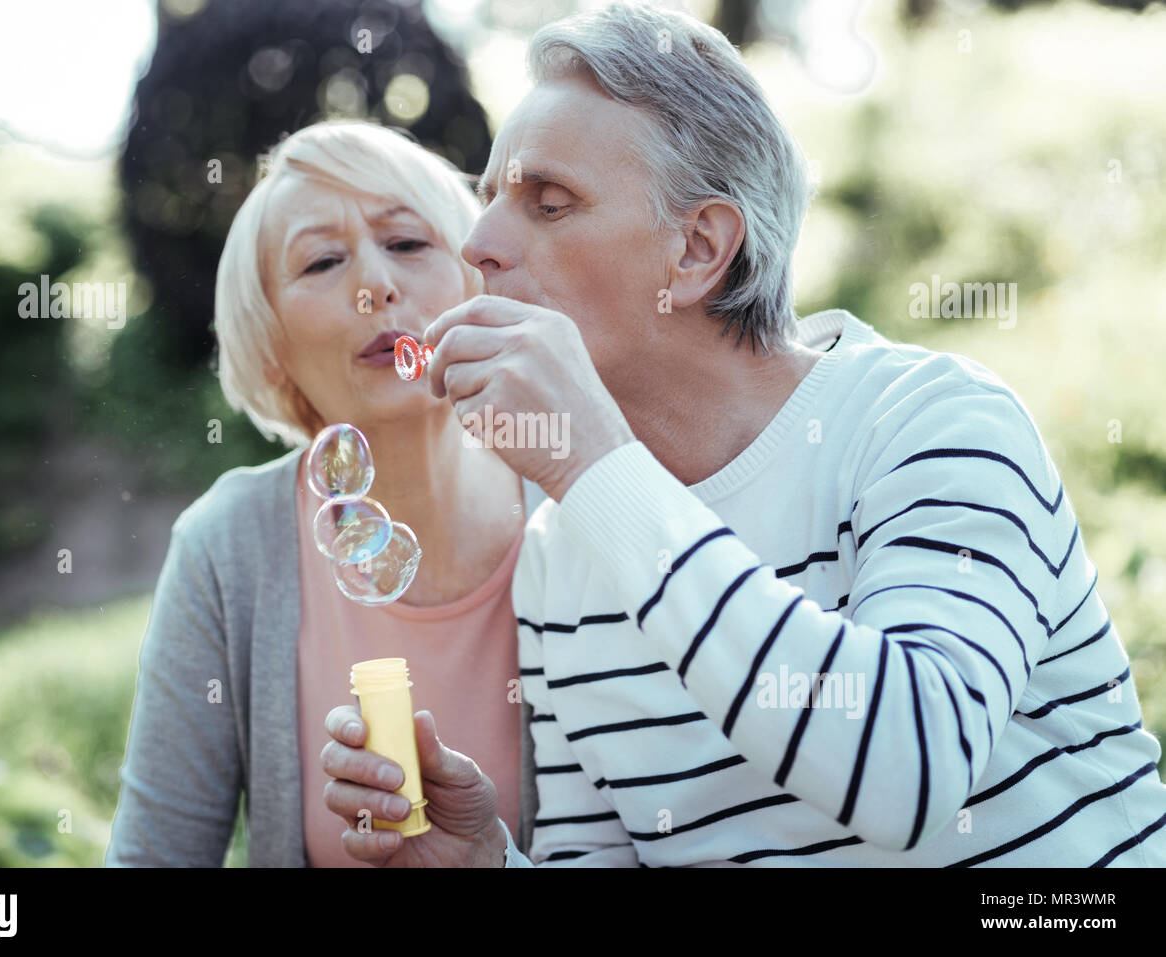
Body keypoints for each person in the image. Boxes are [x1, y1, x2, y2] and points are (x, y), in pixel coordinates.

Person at [321, 2, 1166, 866]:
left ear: (698, 249)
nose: (481, 242)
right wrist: (482, 862)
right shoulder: (560, 547)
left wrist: (596, 463)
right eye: (492, 196)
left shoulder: (934, 422)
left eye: (548, 202)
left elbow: (909, 771)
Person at [105, 120, 544, 867]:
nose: (376, 283)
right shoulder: (228, 547)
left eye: (407, 243)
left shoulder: (574, 503)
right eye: (323, 261)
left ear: (476, 279)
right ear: (272, 347)